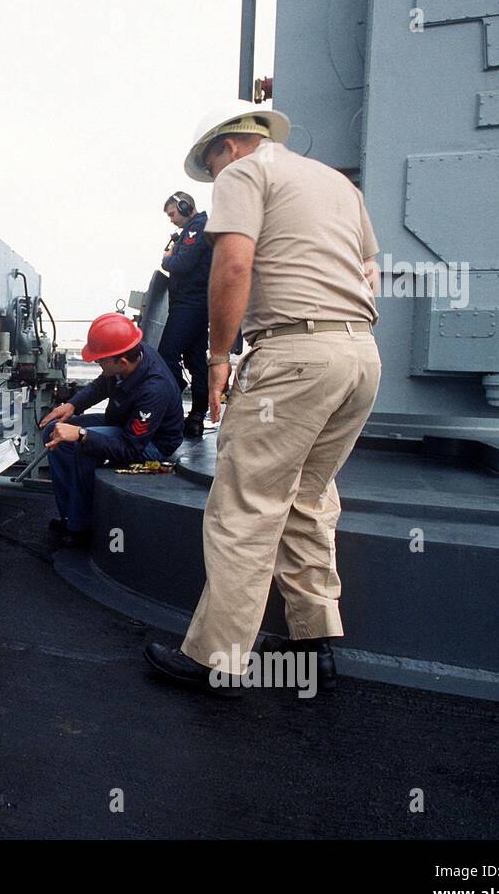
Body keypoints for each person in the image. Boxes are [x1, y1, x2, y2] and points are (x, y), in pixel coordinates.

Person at [144, 100, 382, 696]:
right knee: (308, 498)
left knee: (245, 505)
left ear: (225, 148)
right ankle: (314, 641)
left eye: (212, 166)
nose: (215, 180)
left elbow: (233, 265)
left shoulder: (246, 174)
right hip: (359, 356)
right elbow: (371, 270)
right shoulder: (336, 184)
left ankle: (215, 658)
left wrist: (219, 357)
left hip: (292, 356)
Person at [40, 313, 185, 548]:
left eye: (100, 361)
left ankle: (81, 527)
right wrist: (72, 405)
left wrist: (81, 434)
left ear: (122, 362)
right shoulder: (129, 353)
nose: (97, 364)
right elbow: (103, 382)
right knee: (53, 433)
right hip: (123, 423)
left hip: (151, 444)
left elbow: (130, 447)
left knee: (82, 447)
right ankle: (70, 515)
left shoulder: (154, 390)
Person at [159, 191, 213, 437]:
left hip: (188, 305)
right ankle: (196, 417)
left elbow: (183, 264)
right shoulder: (194, 230)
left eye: (173, 213)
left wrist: (167, 260)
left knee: (166, 356)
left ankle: (172, 401)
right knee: (196, 362)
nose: (171, 219)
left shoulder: (196, 228)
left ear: (184, 206)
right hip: (197, 305)